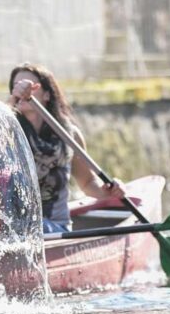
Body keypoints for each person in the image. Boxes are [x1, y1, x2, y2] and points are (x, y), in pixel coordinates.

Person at [8, 62, 125, 234]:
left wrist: (109, 191)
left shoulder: (69, 136)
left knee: (32, 228)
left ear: (46, 95)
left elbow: (87, 182)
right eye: (16, 87)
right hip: (13, 228)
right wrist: (11, 102)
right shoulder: (6, 132)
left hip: (54, 229)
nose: (21, 90)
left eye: (28, 85)